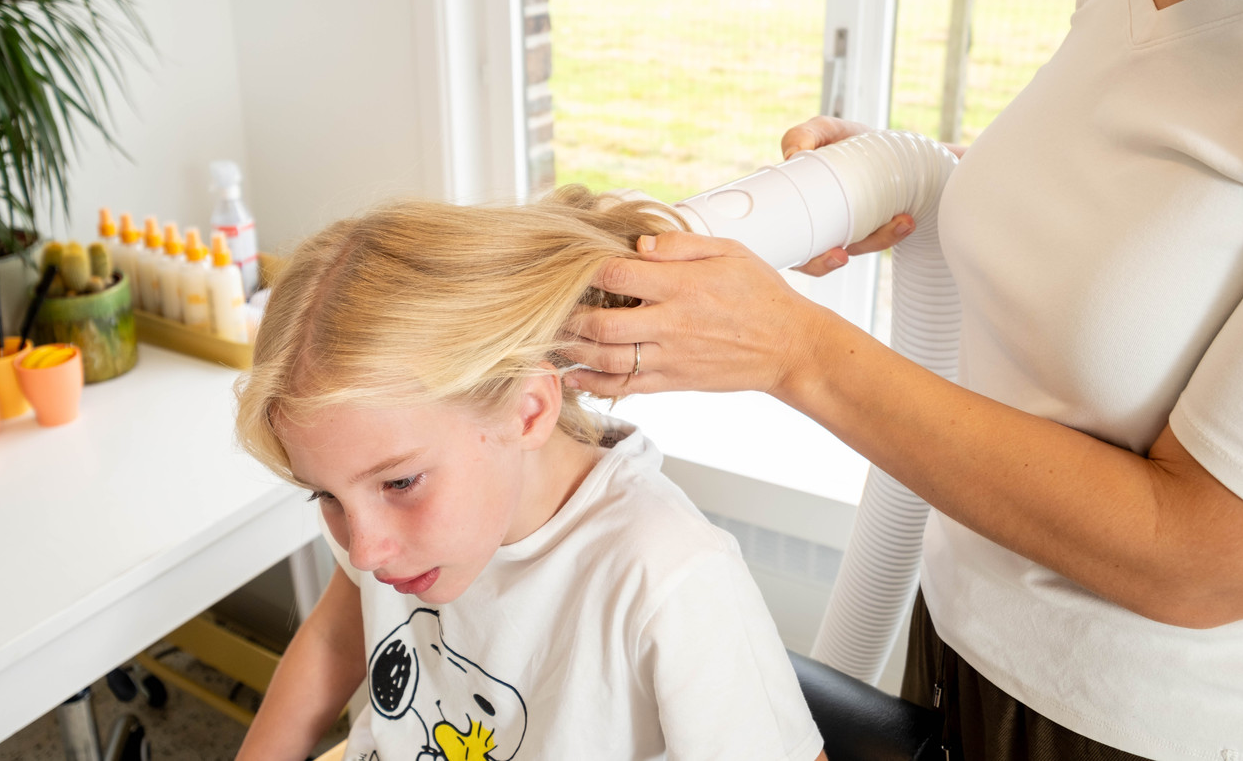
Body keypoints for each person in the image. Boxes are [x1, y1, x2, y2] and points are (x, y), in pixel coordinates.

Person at [564, 0, 1243, 759]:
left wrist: (796, 353)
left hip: (1129, 724)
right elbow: (1147, 230)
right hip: (960, 634)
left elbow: (1197, 561)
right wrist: (923, 181)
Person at [231, 186, 828, 761]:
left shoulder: (665, 577)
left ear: (529, 409)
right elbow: (338, 639)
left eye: (400, 484)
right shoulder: (391, 520)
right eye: (325, 497)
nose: (364, 551)